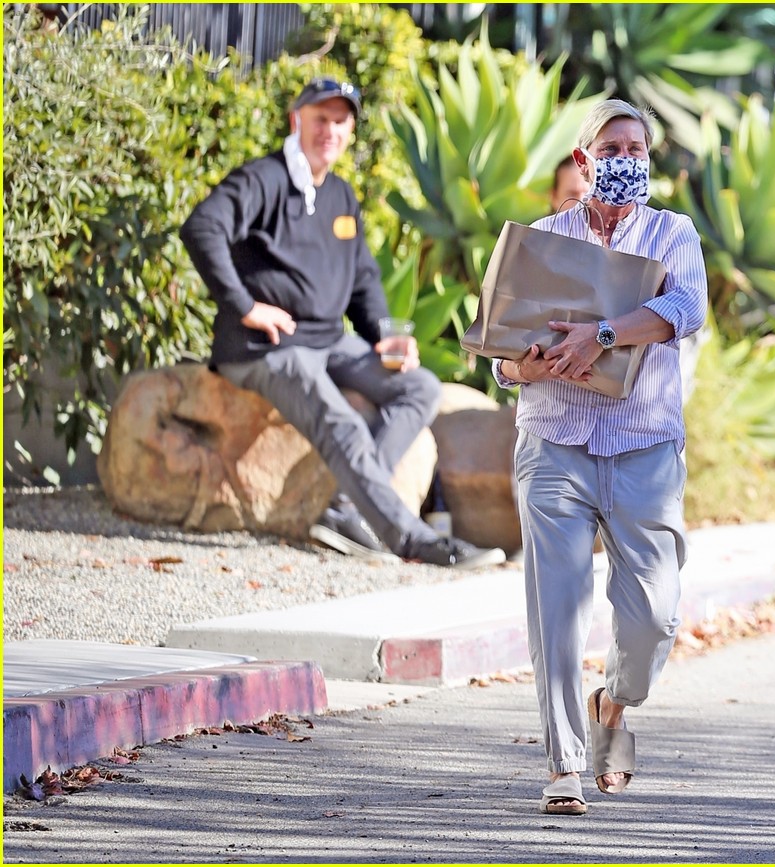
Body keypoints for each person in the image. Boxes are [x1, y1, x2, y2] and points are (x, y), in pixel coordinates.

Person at [181, 77, 505, 571]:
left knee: (419, 388)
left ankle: (347, 509)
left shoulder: (340, 196)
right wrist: (246, 306)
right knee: (344, 426)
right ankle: (418, 542)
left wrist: (384, 335)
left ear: (350, 129)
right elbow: (202, 226)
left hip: (330, 340)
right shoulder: (263, 179)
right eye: (319, 118)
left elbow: (362, 279)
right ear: (297, 120)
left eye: (340, 120)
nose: (329, 130)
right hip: (265, 348)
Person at [492, 99, 708, 815]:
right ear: (584, 163)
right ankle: (564, 764)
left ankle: (612, 704)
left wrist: (604, 334)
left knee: (653, 620)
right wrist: (529, 365)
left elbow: (685, 310)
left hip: (644, 448)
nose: (628, 160)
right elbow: (500, 356)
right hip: (555, 441)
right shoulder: (542, 241)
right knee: (556, 608)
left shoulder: (671, 235)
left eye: (639, 149)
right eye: (613, 148)